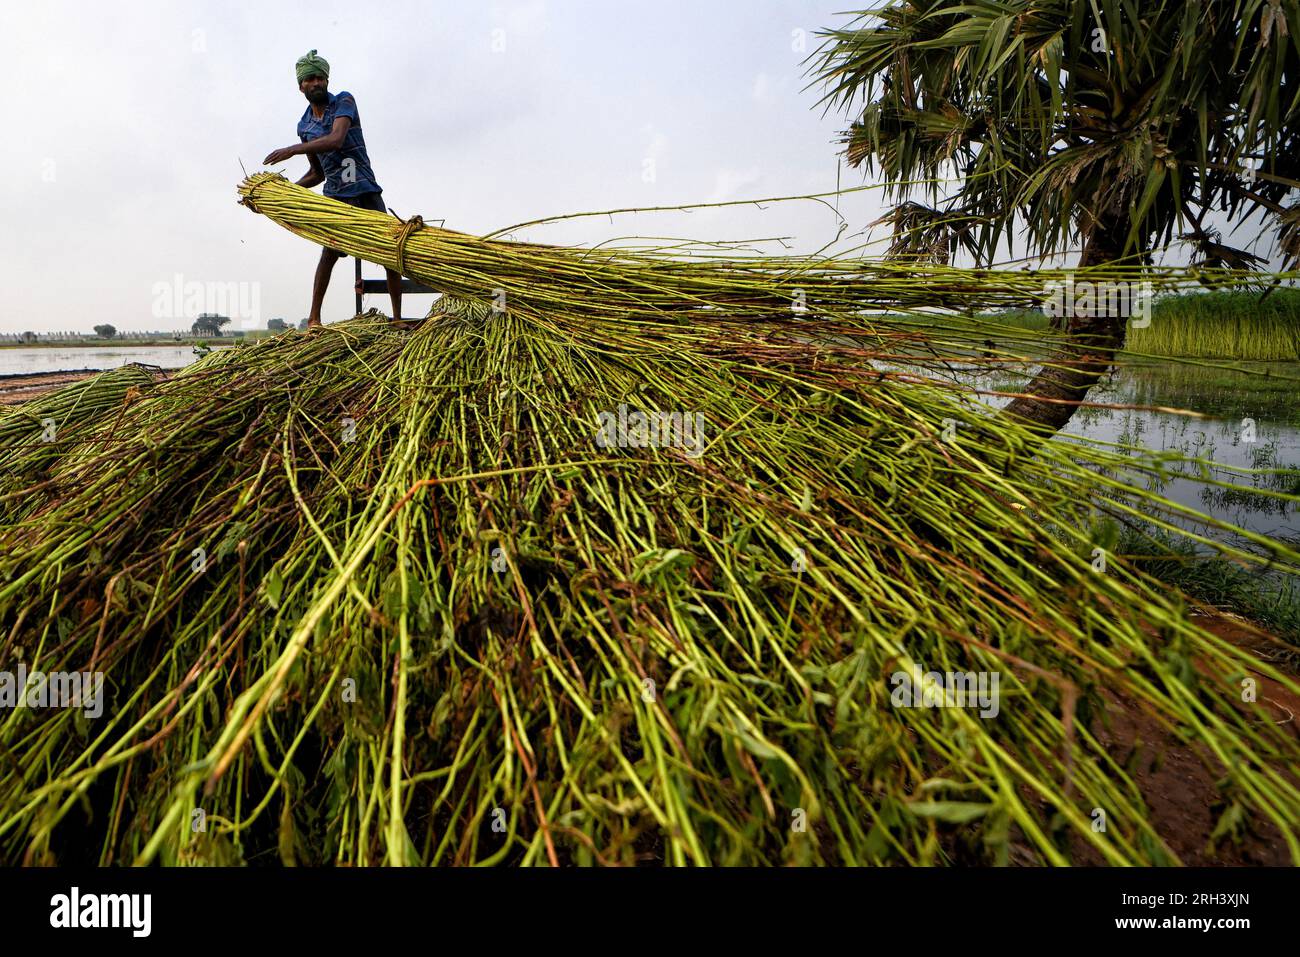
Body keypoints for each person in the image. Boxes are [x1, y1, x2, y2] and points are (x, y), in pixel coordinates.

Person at [262, 50, 403, 328]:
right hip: (336, 195)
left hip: (364, 187)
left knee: (388, 250)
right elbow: (317, 173)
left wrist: (292, 150)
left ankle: (397, 317)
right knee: (329, 253)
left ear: (327, 80)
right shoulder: (305, 126)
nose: (316, 83)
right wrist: (285, 190)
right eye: (310, 79)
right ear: (300, 86)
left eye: (320, 78)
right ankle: (314, 318)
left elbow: (337, 140)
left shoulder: (344, 101)